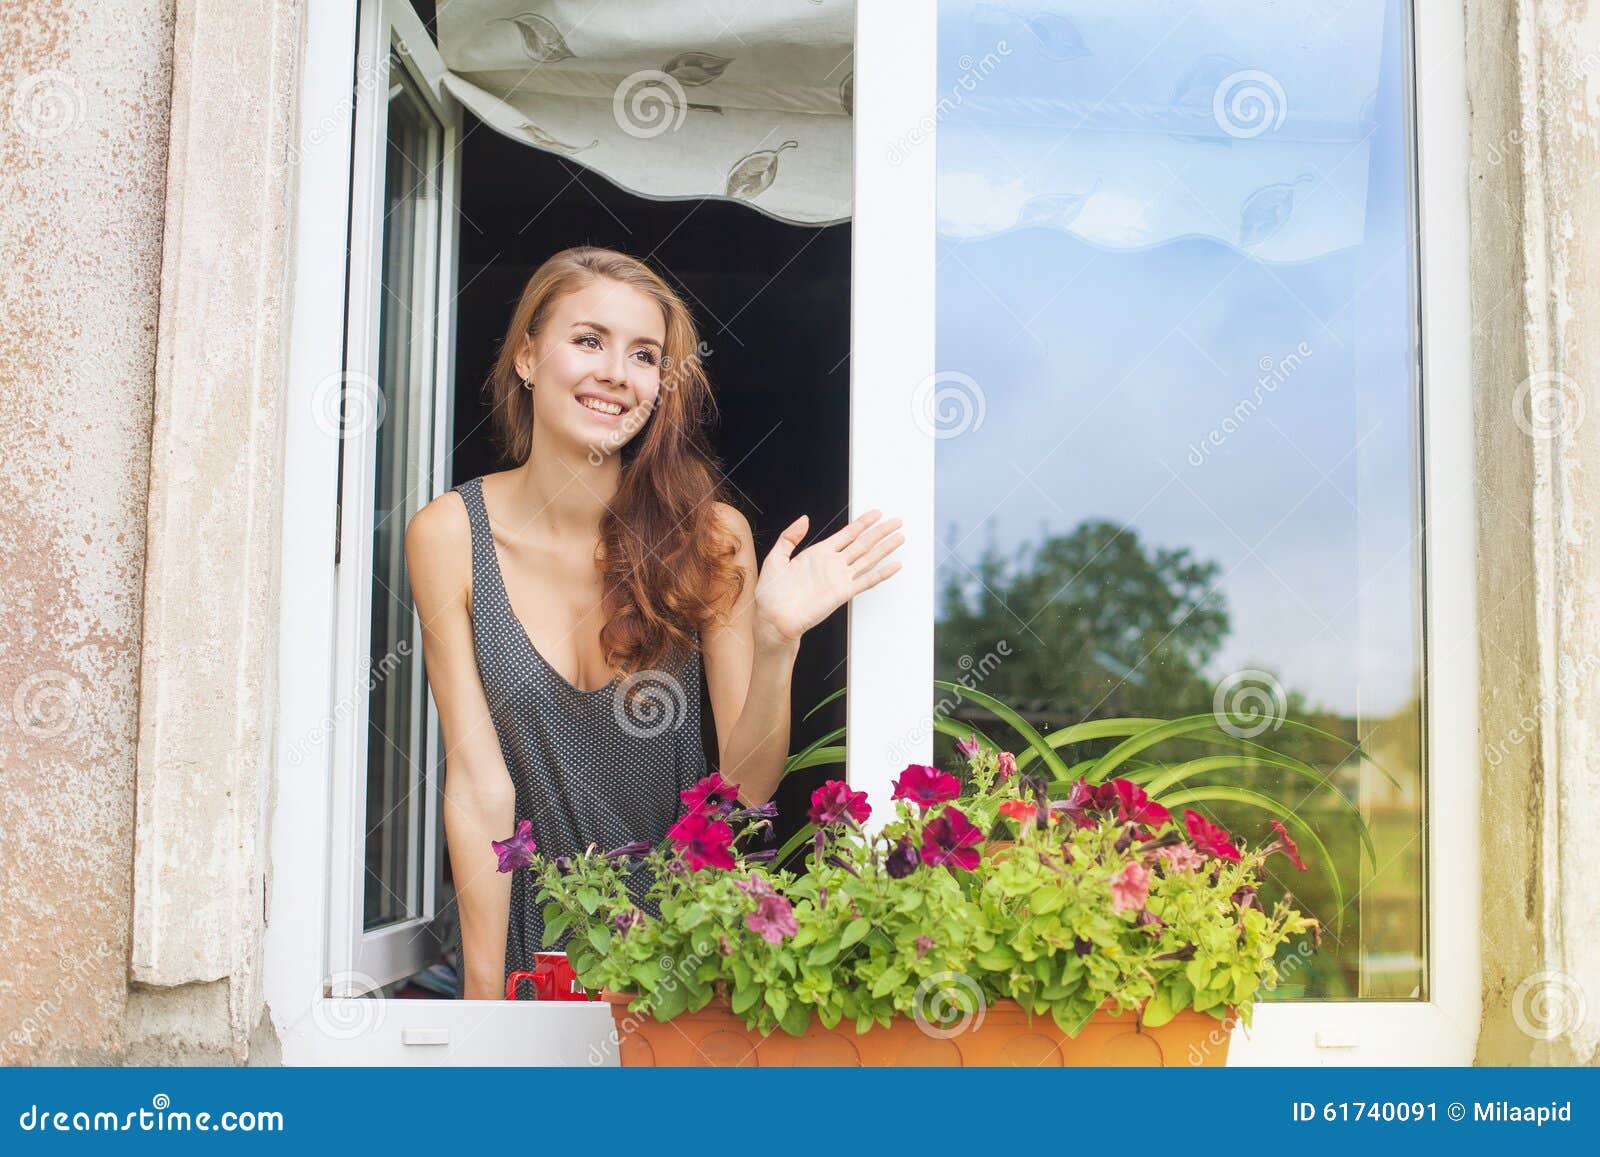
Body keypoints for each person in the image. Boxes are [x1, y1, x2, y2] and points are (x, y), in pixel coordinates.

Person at [405, 246, 904, 1000]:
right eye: (588, 340)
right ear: (527, 357)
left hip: (677, 955)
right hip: (522, 948)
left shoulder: (712, 537)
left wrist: (776, 647)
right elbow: (479, 786)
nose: (615, 372)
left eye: (644, 355)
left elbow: (742, 789)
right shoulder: (449, 534)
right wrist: (487, 996)